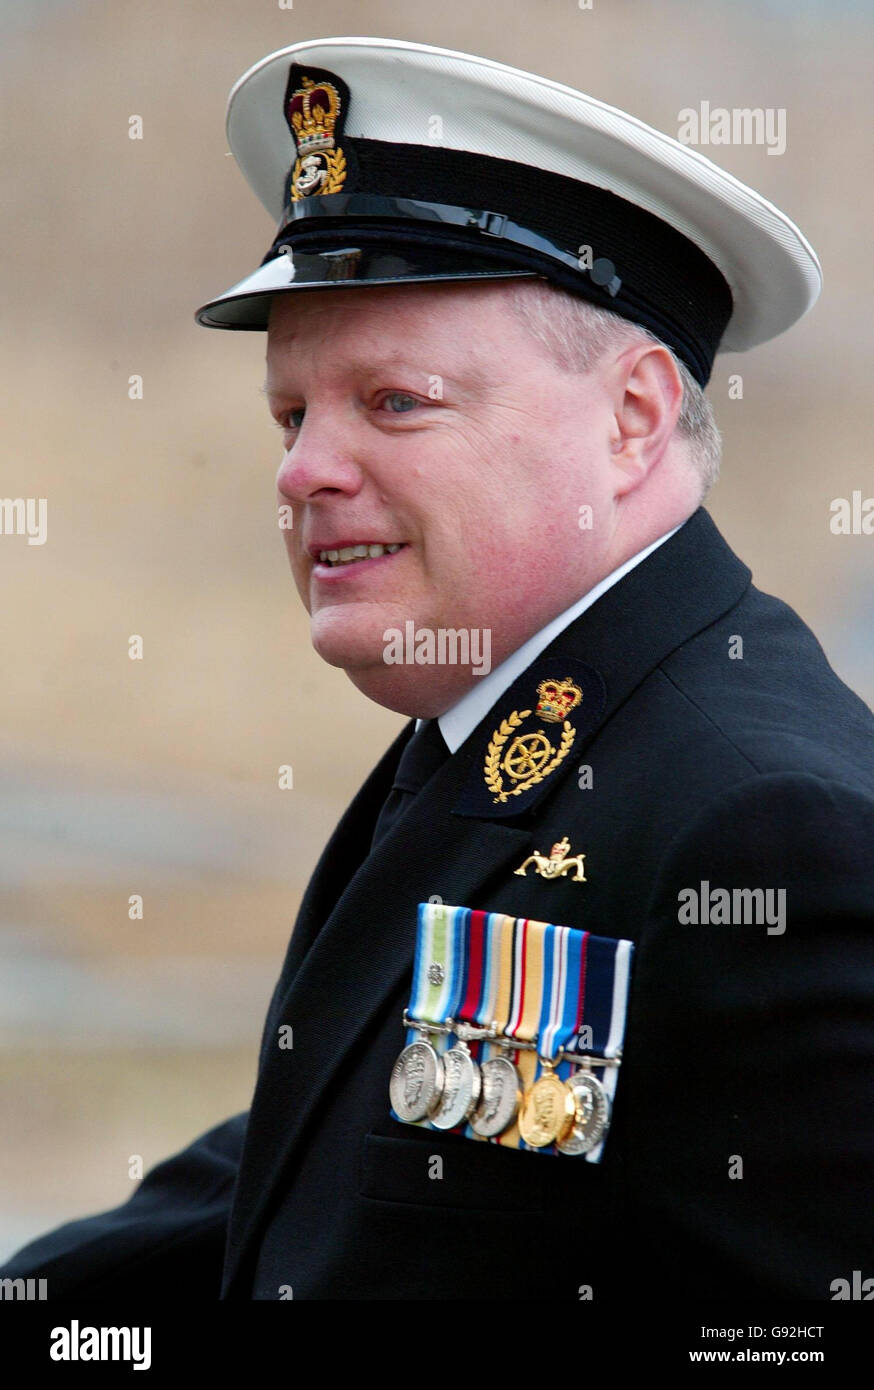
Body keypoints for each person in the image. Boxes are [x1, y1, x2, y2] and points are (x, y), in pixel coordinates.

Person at [3, 36, 872, 1302]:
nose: (303, 470)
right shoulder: (506, 729)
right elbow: (312, 1174)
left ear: (631, 420)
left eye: (395, 402)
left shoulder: (758, 824)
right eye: (292, 415)